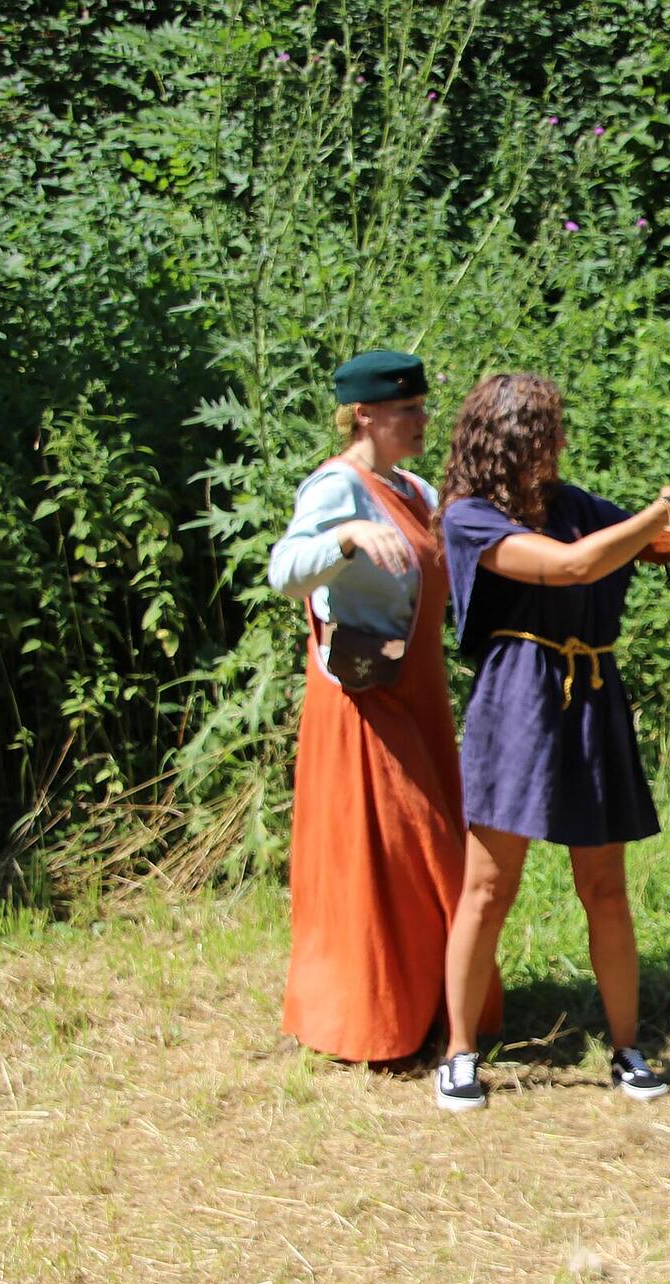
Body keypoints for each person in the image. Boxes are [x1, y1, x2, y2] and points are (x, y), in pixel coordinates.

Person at [432, 372, 670, 1112]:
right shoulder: (469, 517)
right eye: (549, 433)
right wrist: (661, 506)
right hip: (517, 701)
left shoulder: (572, 505)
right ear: (513, 441)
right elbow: (573, 565)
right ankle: (459, 1053)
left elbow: (650, 543)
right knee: (487, 887)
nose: (561, 443)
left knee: (604, 887)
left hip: (592, 700)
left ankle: (628, 1049)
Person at [269, 348, 492, 1062]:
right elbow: (283, 572)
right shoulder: (339, 487)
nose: (423, 420)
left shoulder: (415, 487)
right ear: (364, 414)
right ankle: (369, 1015)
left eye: (423, 408)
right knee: (395, 848)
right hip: (367, 701)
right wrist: (343, 536)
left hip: (417, 690)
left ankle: (430, 1004)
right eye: (407, 411)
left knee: (426, 847)